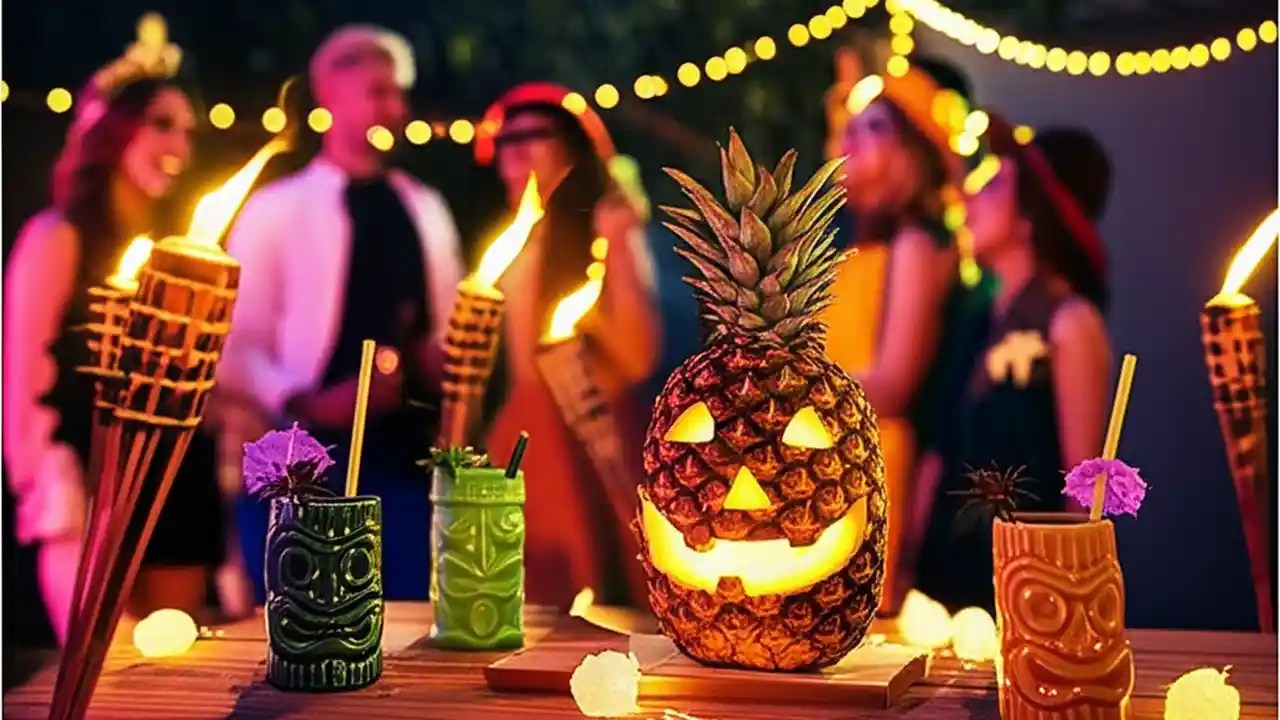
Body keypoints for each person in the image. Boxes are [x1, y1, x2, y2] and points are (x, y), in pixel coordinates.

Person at [217, 25, 464, 601]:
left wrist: (439, 361)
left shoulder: (424, 207)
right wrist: (305, 400)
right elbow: (235, 340)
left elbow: (445, 325)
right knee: (303, 619)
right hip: (299, 460)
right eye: (377, 91)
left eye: (398, 92)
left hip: (408, 461)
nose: (394, 108)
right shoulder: (277, 210)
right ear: (331, 94)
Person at [1, 35, 220, 640]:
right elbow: (20, 376)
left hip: (174, 484)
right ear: (114, 129)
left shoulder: (178, 245)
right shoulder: (57, 236)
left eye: (186, 129)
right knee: (105, 666)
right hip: (86, 487)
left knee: (177, 669)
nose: (177, 143)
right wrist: (45, 479)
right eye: (160, 124)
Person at [912, 115, 1113, 613]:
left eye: (994, 184)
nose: (969, 199)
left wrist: (1069, 605)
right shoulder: (977, 320)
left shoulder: (1069, 322)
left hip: (1023, 596)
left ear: (1031, 214)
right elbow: (940, 451)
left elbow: (1085, 488)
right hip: (942, 593)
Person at [473, 83, 660, 608]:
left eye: (536, 135)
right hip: (527, 444)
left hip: (595, 435)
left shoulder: (607, 227)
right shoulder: (511, 242)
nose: (517, 149)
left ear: (573, 147)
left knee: (609, 606)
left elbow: (638, 352)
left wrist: (614, 256)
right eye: (506, 138)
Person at [819, 64, 979, 613]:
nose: (854, 140)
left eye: (877, 128)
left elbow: (893, 383)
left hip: (882, 462)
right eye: (852, 127)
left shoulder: (917, 240)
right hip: (833, 445)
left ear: (914, 147)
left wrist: (792, 397)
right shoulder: (858, 238)